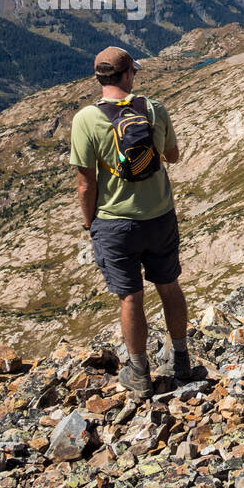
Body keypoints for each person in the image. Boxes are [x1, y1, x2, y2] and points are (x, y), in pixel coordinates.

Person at [69, 47, 190, 398]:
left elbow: (85, 181)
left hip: (115, 223)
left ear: (98, 78)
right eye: (133, 72)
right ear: (127, 75)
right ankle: (180, 359)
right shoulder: (154, 109)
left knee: (131, 298)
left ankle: (139, 372)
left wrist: (90, 222)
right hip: (160, 216)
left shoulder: (85, 120)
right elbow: (173, 156)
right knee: (169, 286)